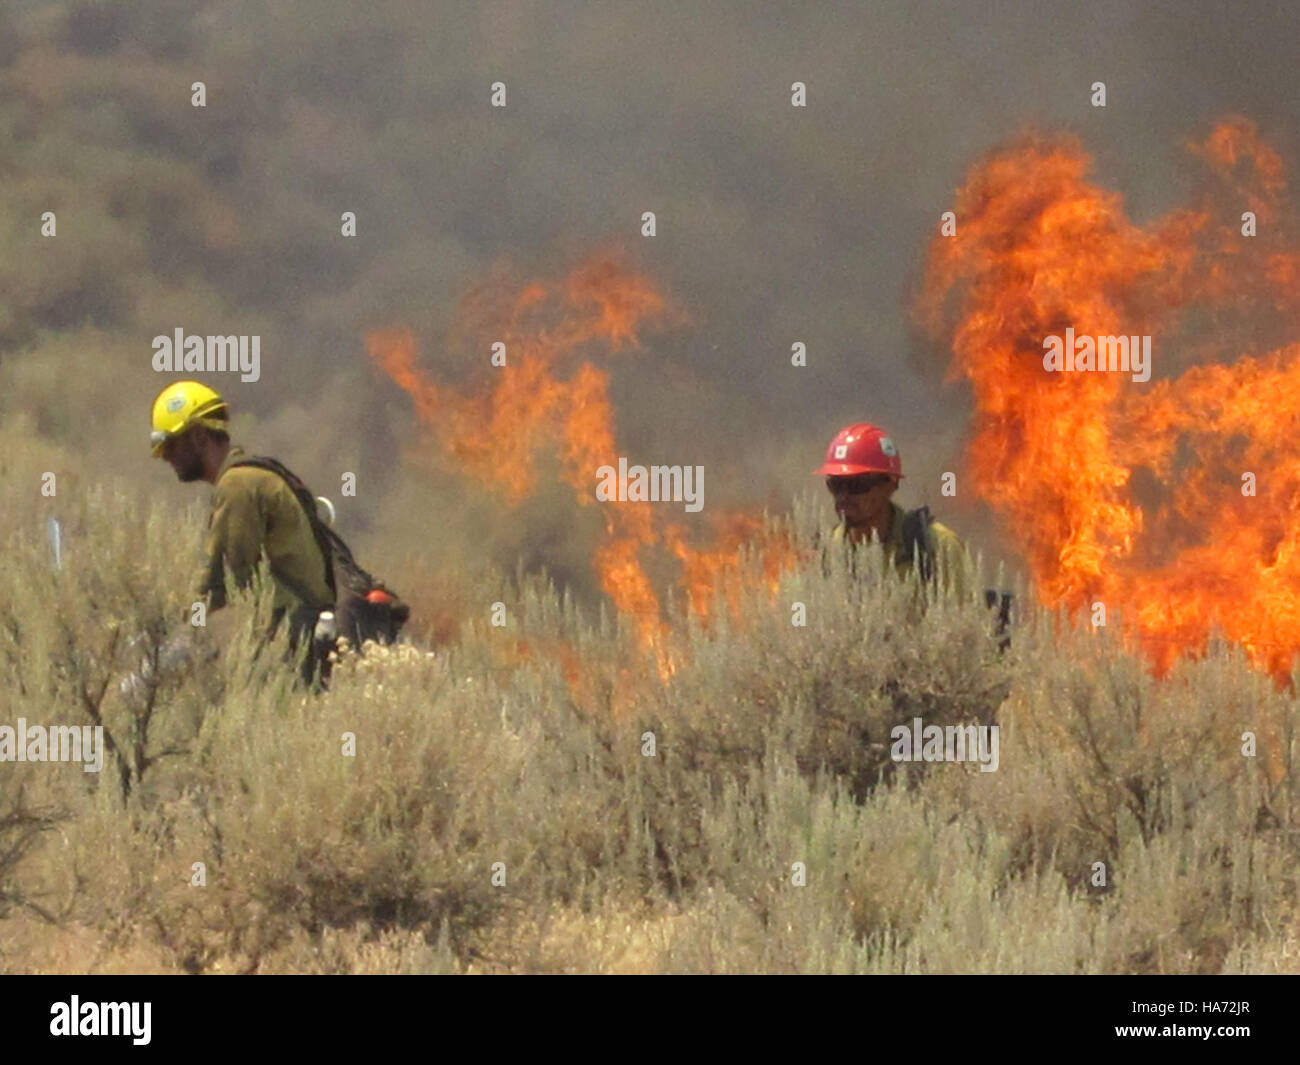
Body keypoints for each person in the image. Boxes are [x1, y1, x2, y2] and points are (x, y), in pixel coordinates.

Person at [150, 380, 335, 688]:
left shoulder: (239, 484)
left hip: (293, 643)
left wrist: (168, 632)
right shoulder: (255, 476)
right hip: (302, 634)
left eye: (171, 445)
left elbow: (220, 578)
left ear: (198, 436)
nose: (166, 457)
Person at [815, 422, 976, 602]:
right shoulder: (827, 552)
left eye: (856, 485)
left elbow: (963, 625)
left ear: (890, 485)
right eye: (836, 485)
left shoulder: (938, 546)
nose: (843, 496)